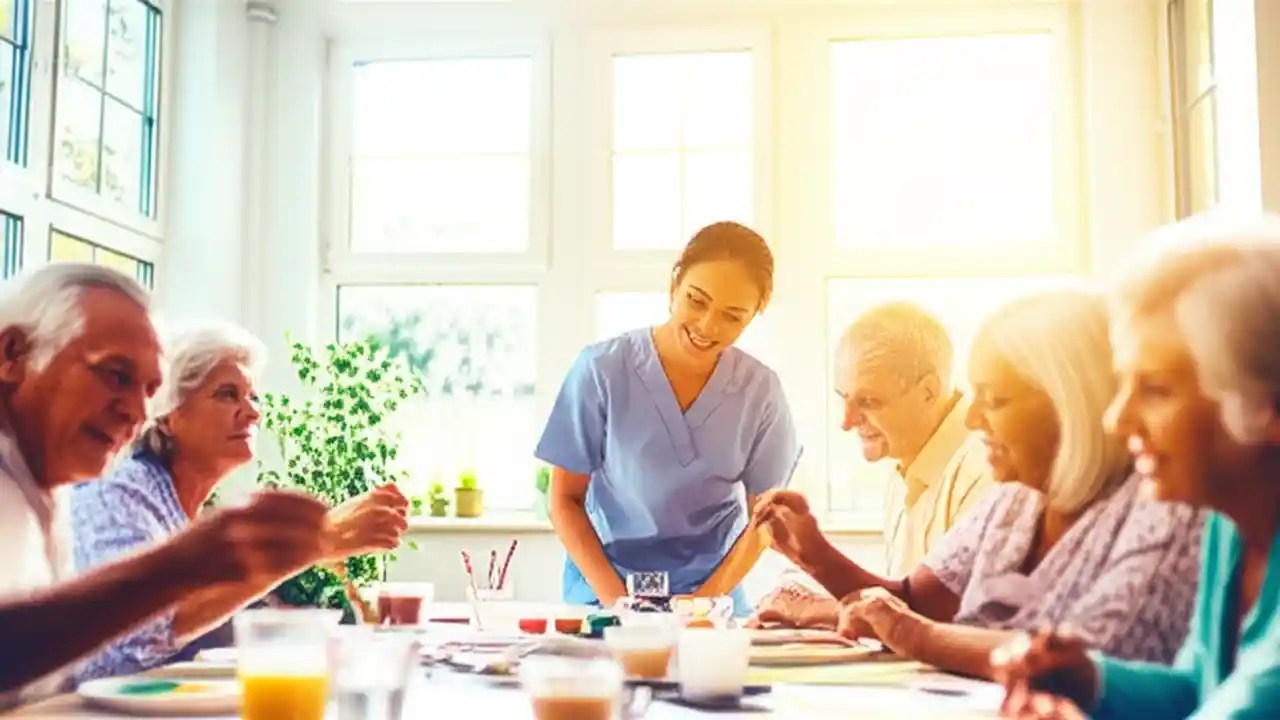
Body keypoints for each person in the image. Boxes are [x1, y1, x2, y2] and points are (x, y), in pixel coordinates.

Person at [752, 289, 1205, 678]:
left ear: (1071, 403)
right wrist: (813, 555)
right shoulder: (1012, 504)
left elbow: (1091, 659)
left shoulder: (1158, 510)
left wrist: (914, 635)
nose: (971, 417)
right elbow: (916, 601)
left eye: (995, 400)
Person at [0, 264, 330, 706]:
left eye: (150, 390)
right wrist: (180, 567)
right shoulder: (94, 489)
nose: (138, 413)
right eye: (115, 375)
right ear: (13, 355)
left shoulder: (45, 485)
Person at [993, 214, 1280, 719]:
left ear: (1269, 404)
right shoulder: (1230, 527)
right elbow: (1200, 689)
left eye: (1155, 389)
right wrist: (1089, 679)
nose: (1116, 418)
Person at [71, 322, 411, 681]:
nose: (253, 412)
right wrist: (317, 542)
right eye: (227, 394)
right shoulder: (121, 492)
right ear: (168, 415)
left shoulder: (183, 511)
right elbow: (134, 642)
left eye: (252, 396)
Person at [536, 221, 802, 613]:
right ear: (674, 285)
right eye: (697, 301)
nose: (708, 326)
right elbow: (564, 499)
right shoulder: (602, 370)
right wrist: (619, 606)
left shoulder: (760, 392)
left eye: (733, 316)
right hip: (604, 594)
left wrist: (703, 603)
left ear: (753, 315)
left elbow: (765, 518)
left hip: (712, 600)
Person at [749, 302, 992, 623]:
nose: (846, 422)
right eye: (843, 398)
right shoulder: (902, 464)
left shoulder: (984, 468)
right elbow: (910, 605)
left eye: (869, 401)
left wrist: (818, 605)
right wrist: (808, 567)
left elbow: (958, 621)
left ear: (929, 392)